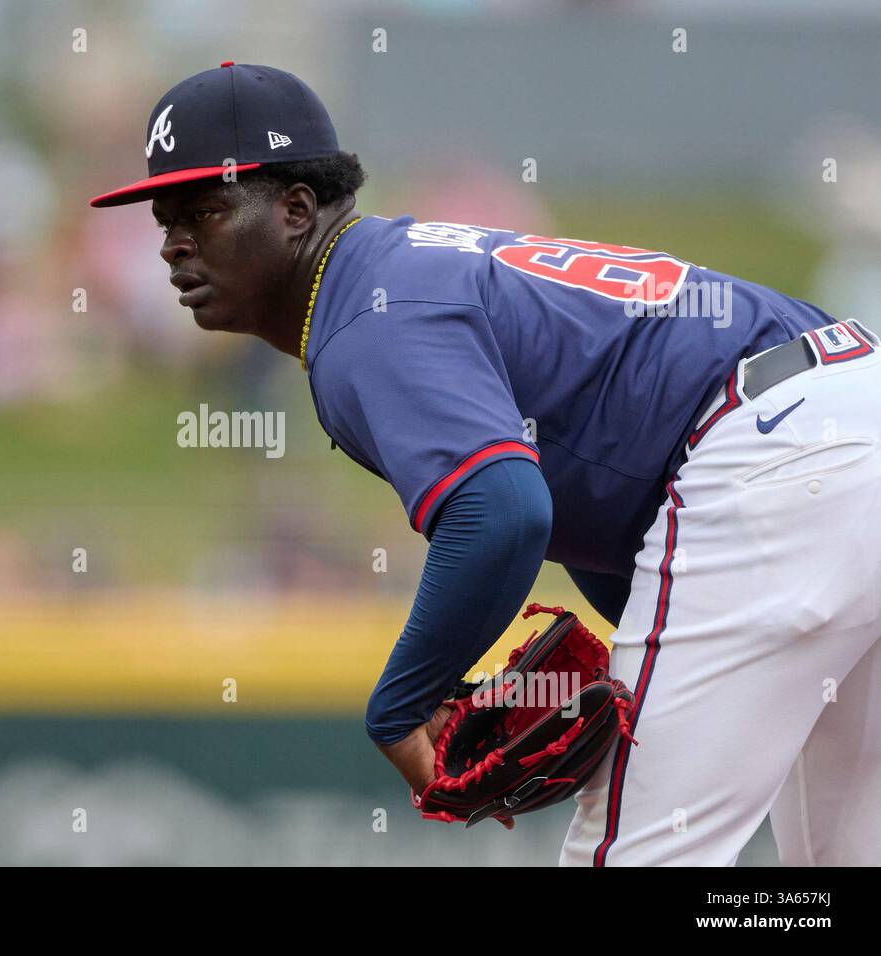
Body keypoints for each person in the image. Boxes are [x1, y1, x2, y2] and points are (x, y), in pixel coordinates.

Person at [90, 62, 881, 866]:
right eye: (165, 219)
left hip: (777, 455)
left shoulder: (367, 317)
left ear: (296, 209)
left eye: (206, 210)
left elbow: (501, 512)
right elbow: (608, 486)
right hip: (836, 417)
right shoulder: (411, 269)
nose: (174, 244)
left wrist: (402, 702)